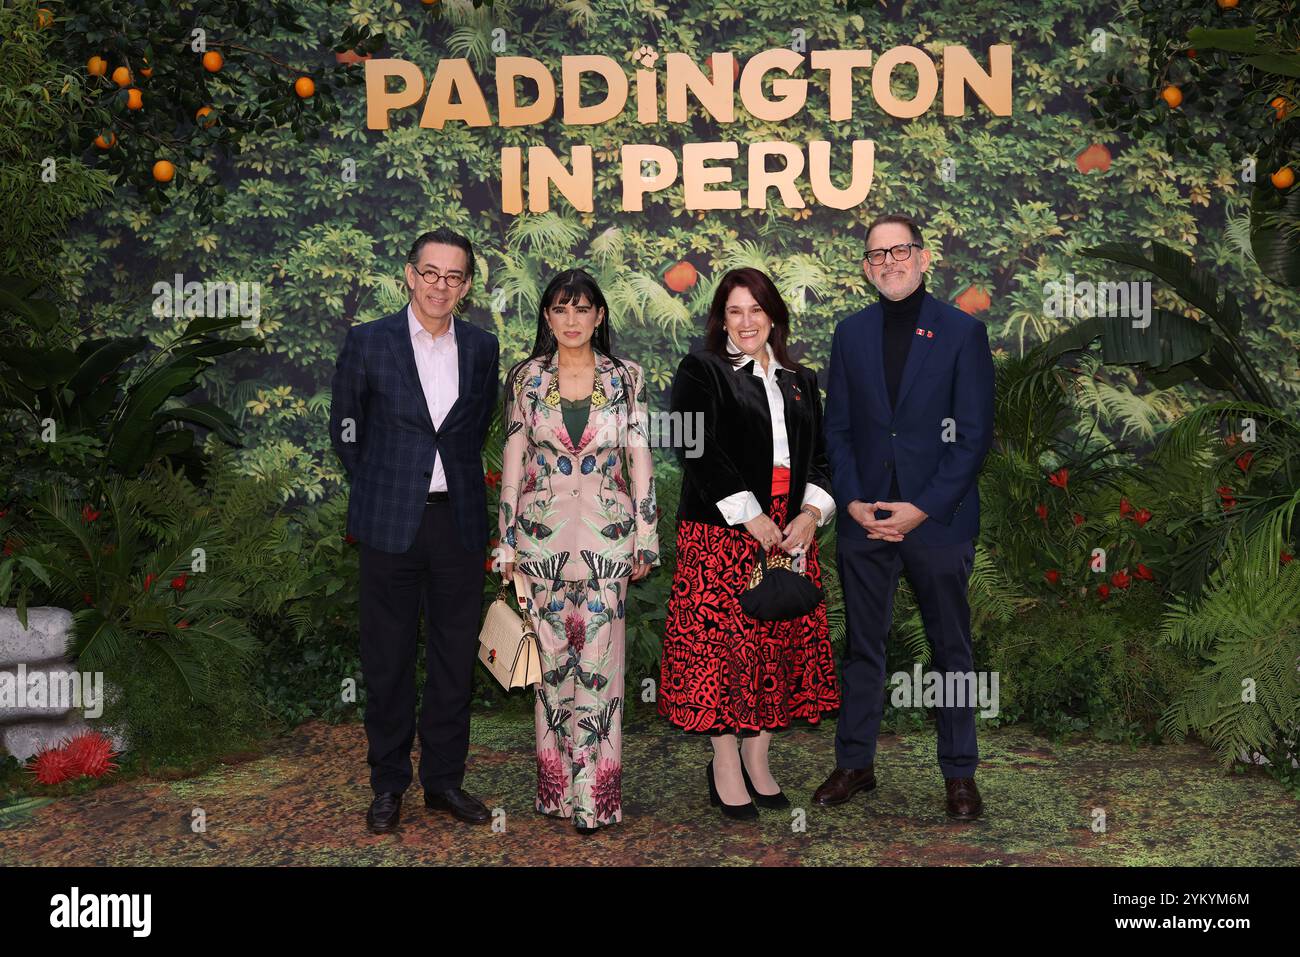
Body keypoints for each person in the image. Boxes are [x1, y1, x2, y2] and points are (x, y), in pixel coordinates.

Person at [814, 213, 995, 820]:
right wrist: (854, 499)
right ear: (866, 269)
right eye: (876, 255)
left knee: (951, 648)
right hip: (864, 518)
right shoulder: (850, 333)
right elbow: (836, 430)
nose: (888, 261)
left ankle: (960, 773)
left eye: (899, 251)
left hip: (937, 520)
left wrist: (922, 508)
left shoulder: (962, 333)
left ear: (923, 258)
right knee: (864, 646)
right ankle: (855, 763)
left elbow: (971, 437)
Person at [328, 228, 500, 834]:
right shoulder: (367, 341)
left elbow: (475, 428)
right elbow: (346, 428)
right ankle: (389, 784)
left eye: (453, 277)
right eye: (430, 273)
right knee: (387, 659)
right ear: (408, 274)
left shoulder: (482, 347)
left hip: (457, 522)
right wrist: (380, 484)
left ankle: (444, 783)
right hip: (388, 524)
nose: (440, 286)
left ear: (468, 286)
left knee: (456, 658)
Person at [658, 266, 840, 819]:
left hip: (788, 536)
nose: (746, 322)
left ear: (773, 316)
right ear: (721, 318)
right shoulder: (703, 370)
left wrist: (811, 515)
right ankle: (724, 765)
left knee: (773, 650)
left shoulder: (801, 380)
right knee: (721, 655)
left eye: (756, 310)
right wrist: (750, 516)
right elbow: (694, 448)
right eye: (734, 311)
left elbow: (824, 459)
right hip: (721, 537)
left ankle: (759, 761)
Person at [498, 269, 658, 834]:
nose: (572, 320)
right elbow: (514, 462)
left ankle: (597, 796)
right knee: (551, 671)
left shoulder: (626, 378)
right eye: (561, 310)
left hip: (607, 542)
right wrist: (507, 543)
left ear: (599, 316)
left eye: (582, 309)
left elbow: (640, 459)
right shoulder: (526, 378)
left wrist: (644, 537)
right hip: (540, 542)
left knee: (599, 671)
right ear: (547, 318)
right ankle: (557, 789)